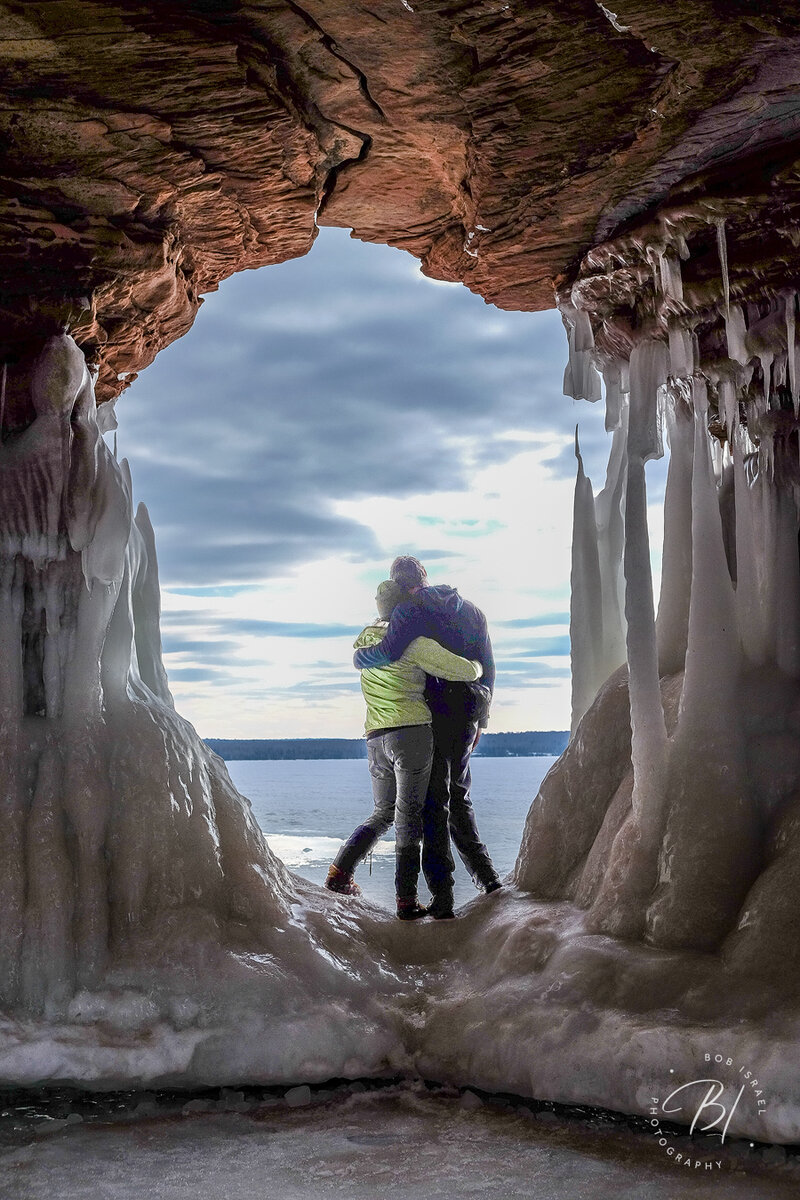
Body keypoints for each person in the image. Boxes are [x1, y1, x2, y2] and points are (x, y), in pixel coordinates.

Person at [325, 579, 483, 921]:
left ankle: (340, 872)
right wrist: (480, 667)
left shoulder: (365, 644)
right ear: (402, 609)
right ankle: (406, 899)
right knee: (408, 815)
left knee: (383, 811)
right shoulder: (411, 641)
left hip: (374, 736)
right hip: (410, 734)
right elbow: (462, 669)